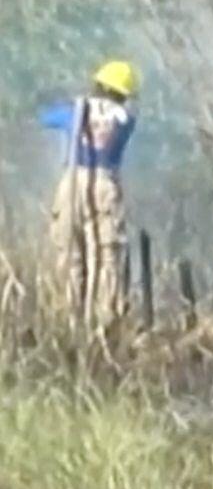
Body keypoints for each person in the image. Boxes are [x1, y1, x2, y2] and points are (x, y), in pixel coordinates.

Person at [42, 60, 140, 323]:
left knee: (70, 251)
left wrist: (73, 104)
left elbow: (47, 118)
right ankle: (104, 321)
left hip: (72, 181)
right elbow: (122, 121)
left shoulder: (76, 111)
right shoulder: (126, 118)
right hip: (105, 183)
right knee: (106, 254)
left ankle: (68, 318)